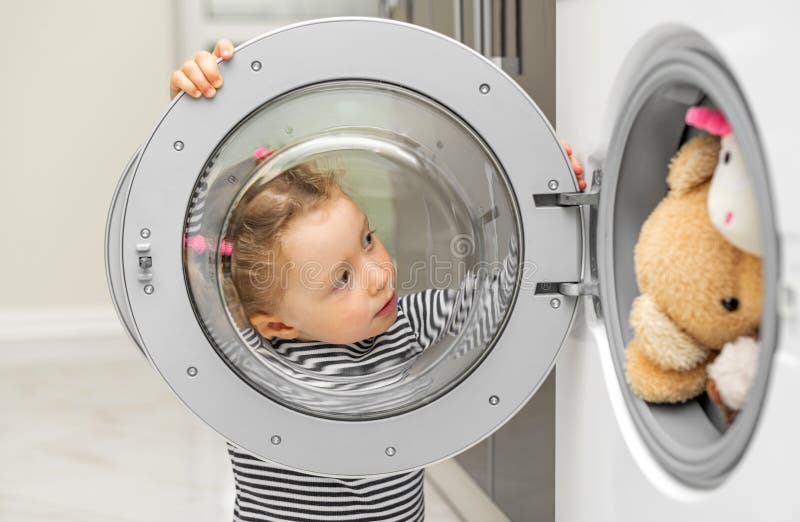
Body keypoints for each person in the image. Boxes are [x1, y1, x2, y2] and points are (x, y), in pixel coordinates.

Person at [172, 39, 583, 522]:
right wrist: (194, 113)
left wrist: (544, 212)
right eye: (341, 278)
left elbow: (499, 296)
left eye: (367, 239)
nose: (378, 275)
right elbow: (187, 254)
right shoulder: (246, 362)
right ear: (277, 325)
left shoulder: (408, 322)